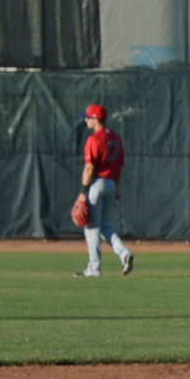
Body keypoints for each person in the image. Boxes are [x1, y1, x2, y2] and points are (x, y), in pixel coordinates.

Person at [75, 103, 134, 278]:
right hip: (110, 184)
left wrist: (82, 192)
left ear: (95, 119)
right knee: (104, 225)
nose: (85, 119)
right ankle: (124, 253)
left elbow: (89, 168)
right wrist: (116, 189)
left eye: (87, 117)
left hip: (97, 185)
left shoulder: (94, 139)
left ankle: (94, 268)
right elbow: (119, 167)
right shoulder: (115, 138)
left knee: (92, 228)